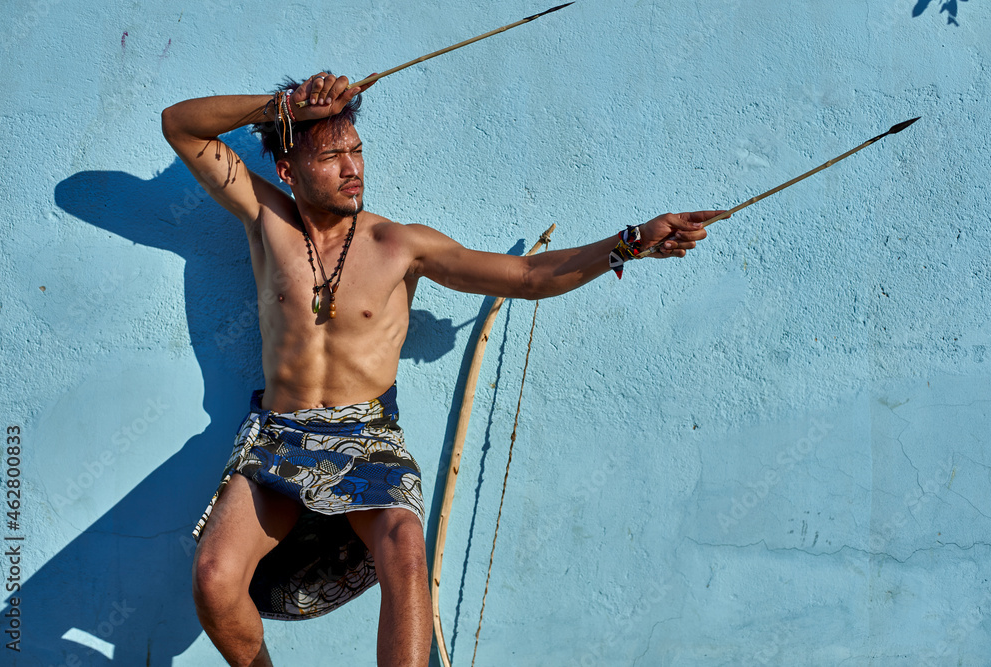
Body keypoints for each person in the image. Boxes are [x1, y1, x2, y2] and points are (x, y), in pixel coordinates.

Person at [161, 71, 720, 667]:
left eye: (357, 151)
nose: (353, 167)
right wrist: (284, 105)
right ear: (290, 171)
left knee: (404, 548)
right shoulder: (265, 219)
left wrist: (630, 241)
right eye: (331, 155)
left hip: (364, 436)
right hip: (279, 434)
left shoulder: (400, 245)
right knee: (215, 578)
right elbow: (181, 125)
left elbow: (529, 278)